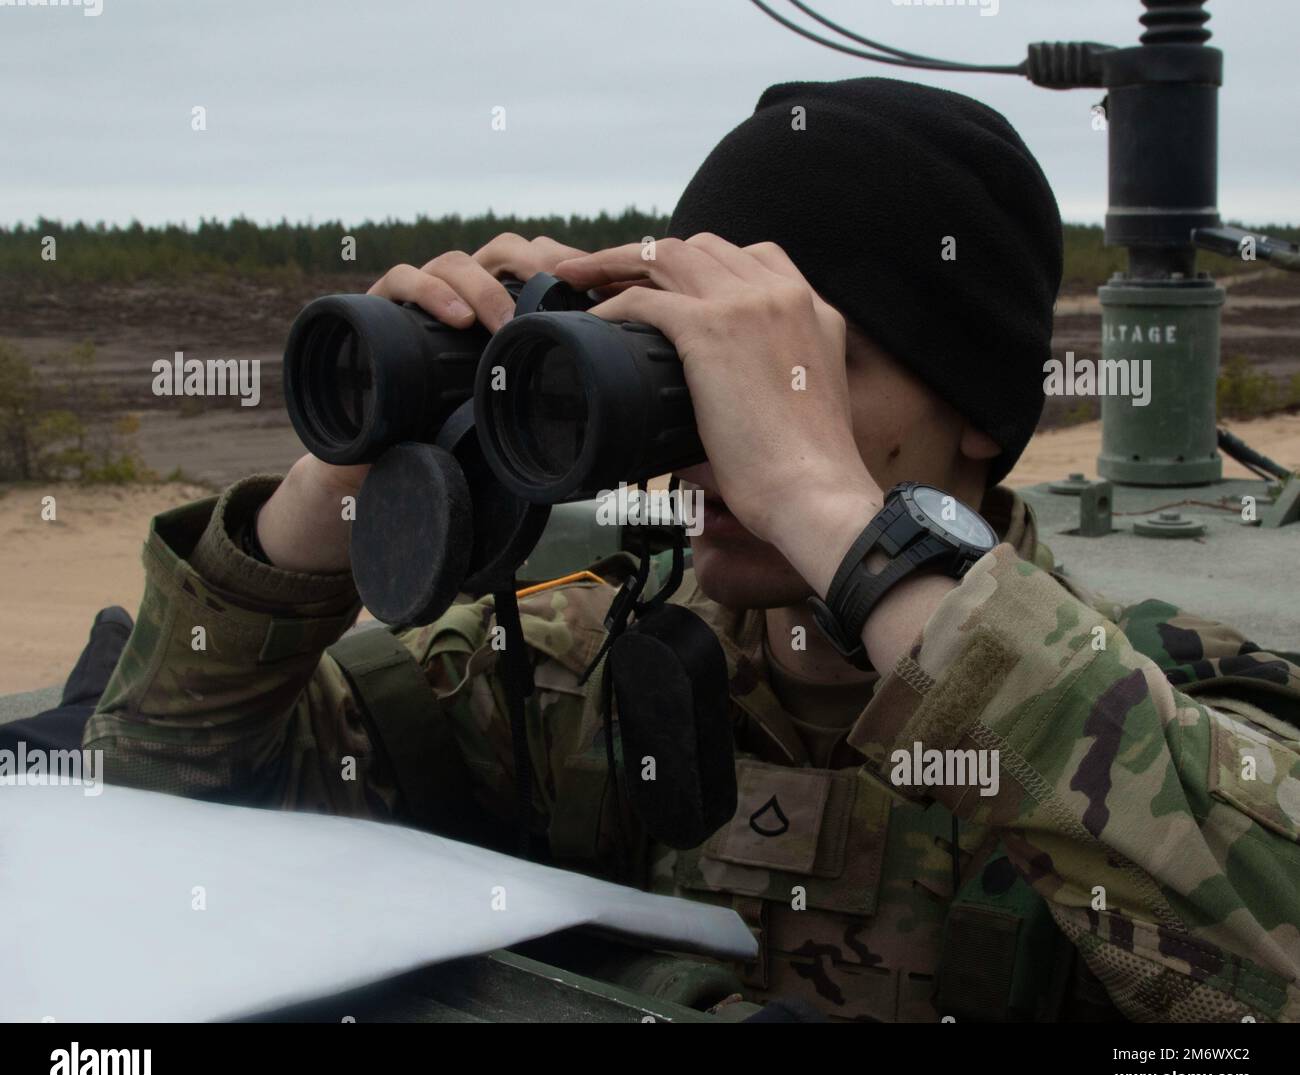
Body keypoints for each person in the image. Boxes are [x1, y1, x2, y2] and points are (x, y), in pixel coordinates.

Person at [82, 77, 1300, 1022]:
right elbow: (155, 791)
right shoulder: (570, 666)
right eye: (683, 365)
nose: (721, 432)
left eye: (799, 366)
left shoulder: (1168, 711)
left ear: (979, 408)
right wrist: (348, 458)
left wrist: (823, 505)